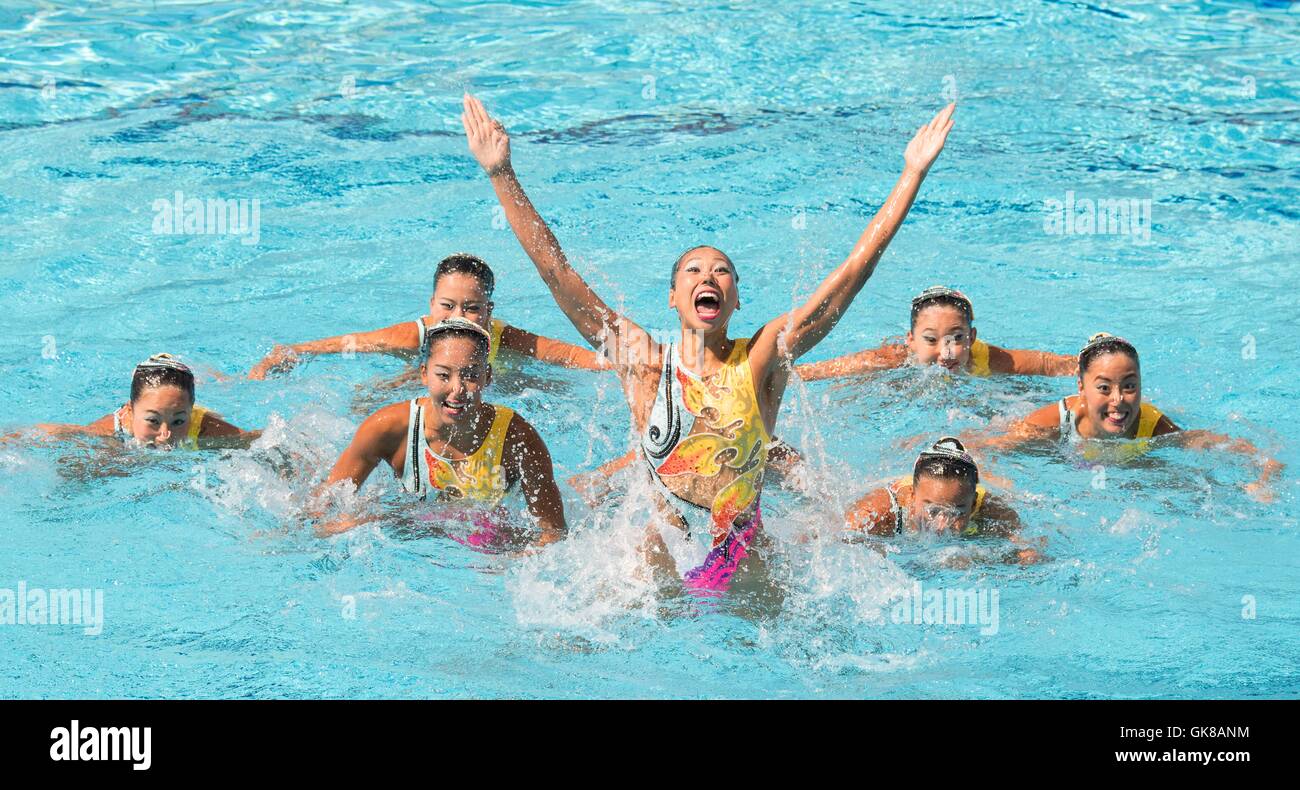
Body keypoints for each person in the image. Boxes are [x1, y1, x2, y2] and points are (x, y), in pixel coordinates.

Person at [461, 93, 954, 592]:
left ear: (735, 300)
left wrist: (911, 174)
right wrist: (501, 174)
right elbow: (558, 273)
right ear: (674, 298)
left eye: (722, 271)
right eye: (694, 270)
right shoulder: (644, 364)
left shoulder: (761, 358)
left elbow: (847, 279)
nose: (709, 276)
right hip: (662, 558)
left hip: (743, 555)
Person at [313, 318, 567, 545]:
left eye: (470, 375)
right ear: (424, 374)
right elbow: (325, 506)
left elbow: (553, 532)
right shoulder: (388, 427)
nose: (457, 389)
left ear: (487, 376)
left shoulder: (518, 439)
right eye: (443, 375)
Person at [961, 333, 1283, 501]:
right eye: (1104, 387)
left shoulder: (1151, 424)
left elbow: (1216, 444)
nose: (1118, 401)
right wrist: (1003, 483)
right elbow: (982, 447)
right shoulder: (1057, 421)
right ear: (1081, 387)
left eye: (1130, 387)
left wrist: (1264, 477)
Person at [248, 253, 606, 380]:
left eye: (472, 308)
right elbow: (348, 343)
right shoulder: (414, 336)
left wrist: (623, 365)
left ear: (489, 312)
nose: (458, 317)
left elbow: (571, 356)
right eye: (447, 307)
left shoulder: (502, 337)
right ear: (431, 304)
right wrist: (289, 352)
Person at [795, 285, 1077, 381]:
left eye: (957, 338)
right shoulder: (894, 358)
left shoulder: (988, 359)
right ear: (911, 340)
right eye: (931, 340)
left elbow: (1050, 364)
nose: (947, 352)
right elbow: (827, 370)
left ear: (973, 337)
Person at [843, 436, 1041, 563]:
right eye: (933, 511)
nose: (941, 525)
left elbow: (1029, 551)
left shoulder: (995, 512)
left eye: (956, 513)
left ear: (972, 506)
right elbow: (838, 537)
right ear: (912, 497)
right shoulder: (880, 512)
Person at [17, 353, 257, 449]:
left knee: (249, 380)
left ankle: (274, 357)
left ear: (191, 412)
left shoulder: (202, 426)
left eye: (178, 422)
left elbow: (262, 441)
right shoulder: (113, 430)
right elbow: (51, 432)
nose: (165, 434)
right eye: (153, 421)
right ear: (130, 412)